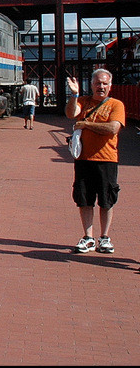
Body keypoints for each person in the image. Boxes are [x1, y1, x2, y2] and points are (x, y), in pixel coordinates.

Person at [65, 69, 125, 254]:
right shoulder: (83, 102)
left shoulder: (116, 105)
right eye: (98, 83)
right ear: (91, 84)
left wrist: (86, 124)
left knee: (107, 200)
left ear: (110, 85)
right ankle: (88, 237)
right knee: (84, 199)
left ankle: (104, 238)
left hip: (107, 159)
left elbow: (113, 128)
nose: (101, 86)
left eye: (105, 83)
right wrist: (74, 94)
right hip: (83, 159)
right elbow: (70, 113)